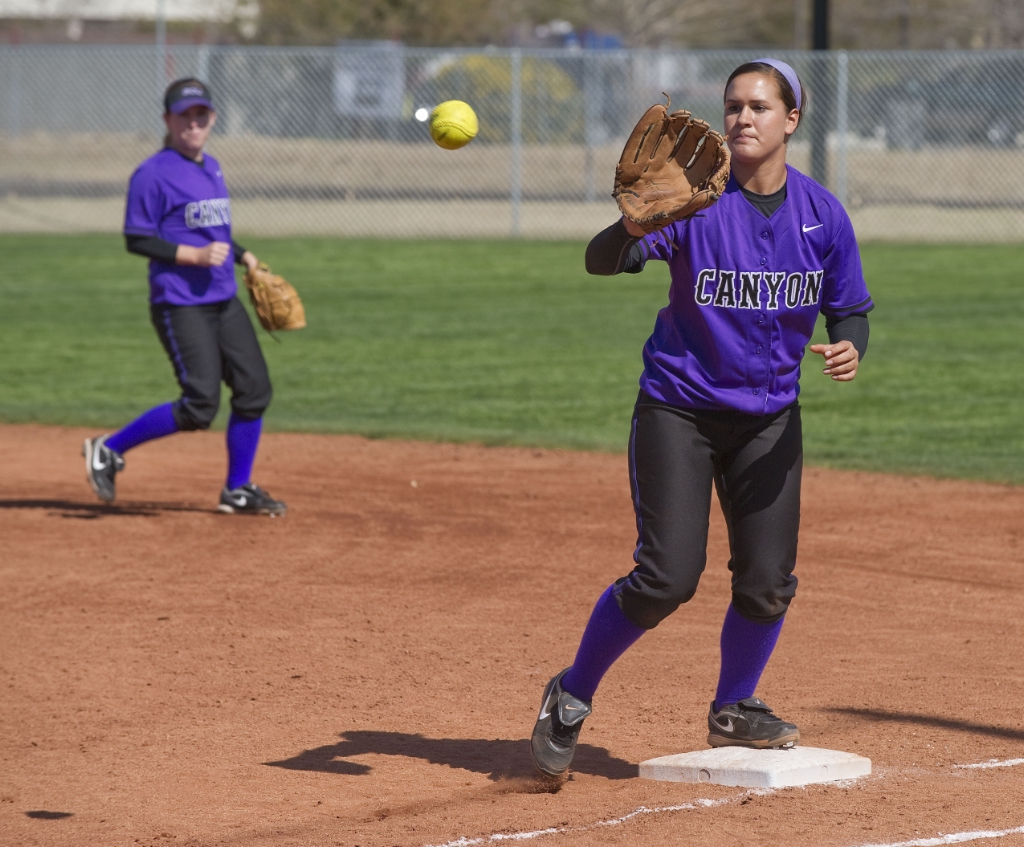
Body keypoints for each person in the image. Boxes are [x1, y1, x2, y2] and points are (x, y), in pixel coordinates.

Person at [530, 58, 873, 778]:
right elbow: (600, 261)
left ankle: (734, 706)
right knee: (665, 576)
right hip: (679, 408)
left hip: (770, 419)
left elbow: (851, 305)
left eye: (758, 105)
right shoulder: (694, 202)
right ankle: (570, 693)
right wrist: (628, 225)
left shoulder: (822, 213)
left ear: (791, 120)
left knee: (768, 580)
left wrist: (850, 346)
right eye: (733, 105)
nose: (742, 117)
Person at [82, 78, 286, 517]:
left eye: (201, 115)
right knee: (200, 404)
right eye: (184, 115)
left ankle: (238, 489)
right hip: (179, 302)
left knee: (254, 390)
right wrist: (190, 255)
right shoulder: (152, 175)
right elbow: (136, 238)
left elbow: (214, 233)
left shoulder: (211, 167)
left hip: (222, 298)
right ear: (167, 121)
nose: (193, 123)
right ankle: (107, 448)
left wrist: (245, 255)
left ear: (211, 119)